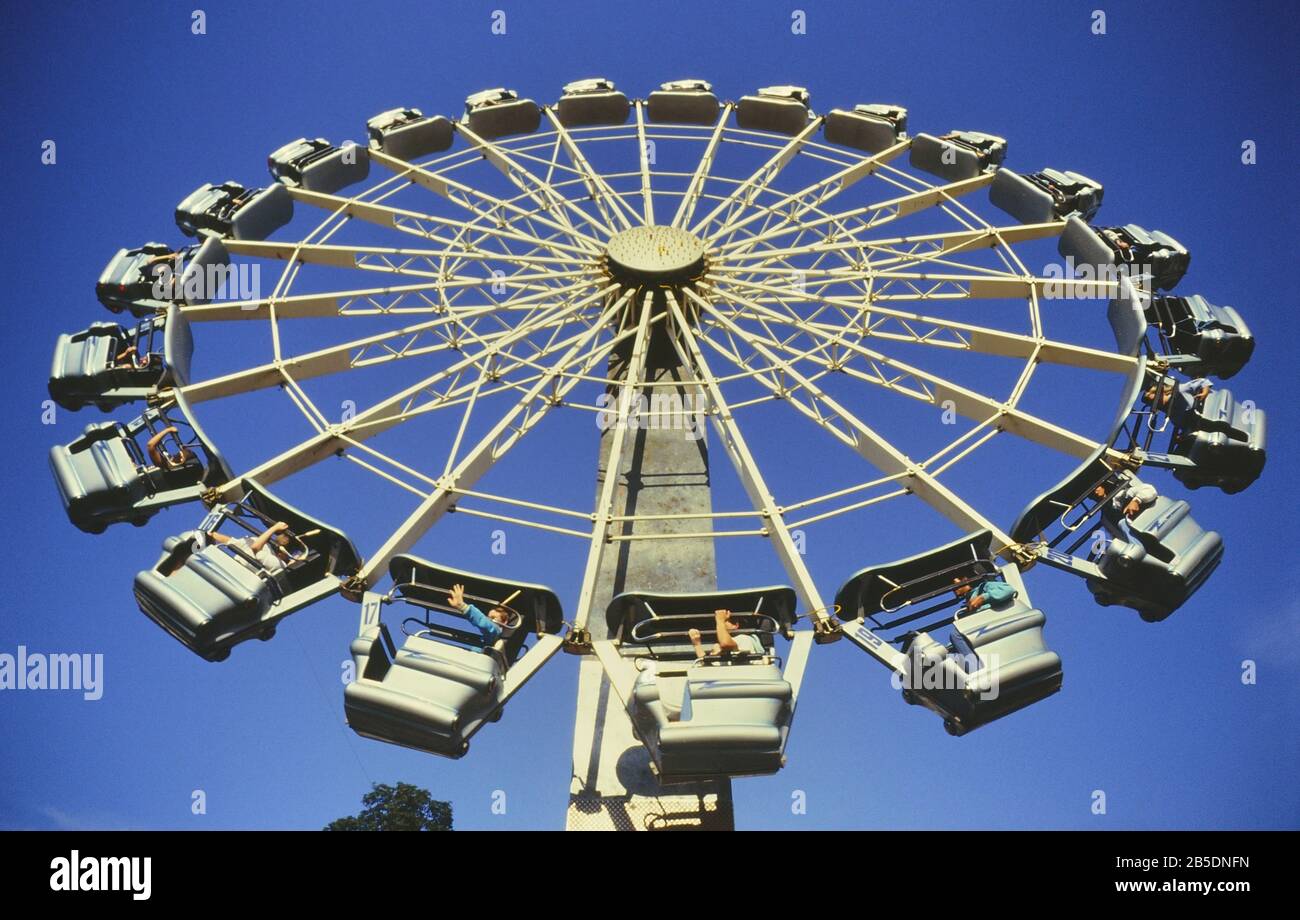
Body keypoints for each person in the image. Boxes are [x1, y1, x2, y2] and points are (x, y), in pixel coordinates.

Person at [208, 520, 298, 574]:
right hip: (225, 568)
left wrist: (274, 527)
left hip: (238, 578)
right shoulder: (264, 544)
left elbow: (255, 548)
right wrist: (210, 535)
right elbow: (232, 542)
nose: (285, 538)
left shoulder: (279, 564)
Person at [448, 583, 512, 651]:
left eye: (493, 618)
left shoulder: (496, 632)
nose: (489, 620)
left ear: (504, 622)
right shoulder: (485, 639)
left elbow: (485, 623)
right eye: (488, 617)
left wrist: (463, 607)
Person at [687, 609, 764, 661]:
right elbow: (705, 667)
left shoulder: (745, 639)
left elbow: (726, 644)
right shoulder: (717, 646)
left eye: (725, 620)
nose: (718, 625)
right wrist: (697, 644)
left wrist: (720, 620)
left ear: (735, 625)